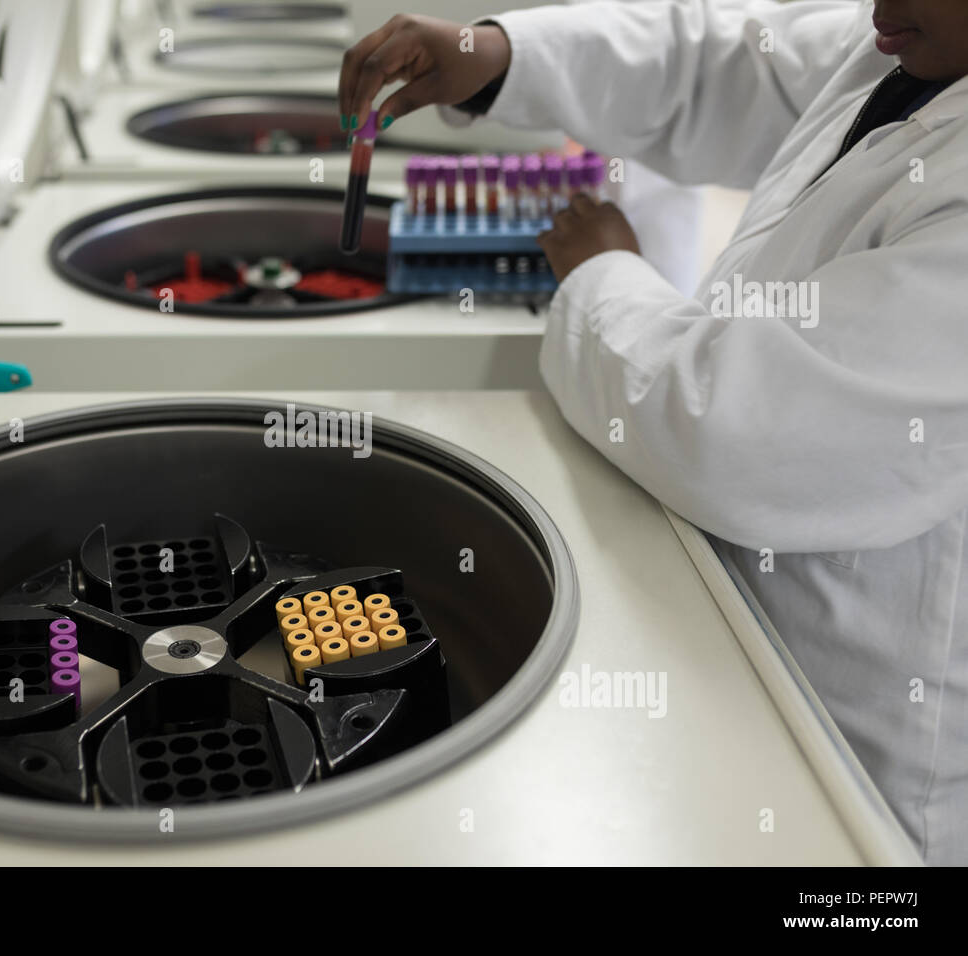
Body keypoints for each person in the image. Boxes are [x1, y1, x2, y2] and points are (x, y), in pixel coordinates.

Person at [339, 0, 968, 865]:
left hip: (865, 751)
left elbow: (744, 439)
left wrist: (603, 273)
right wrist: (505, 54)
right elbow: (728, 65)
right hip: (723, 630)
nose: (879, 7)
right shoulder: (916, 40)